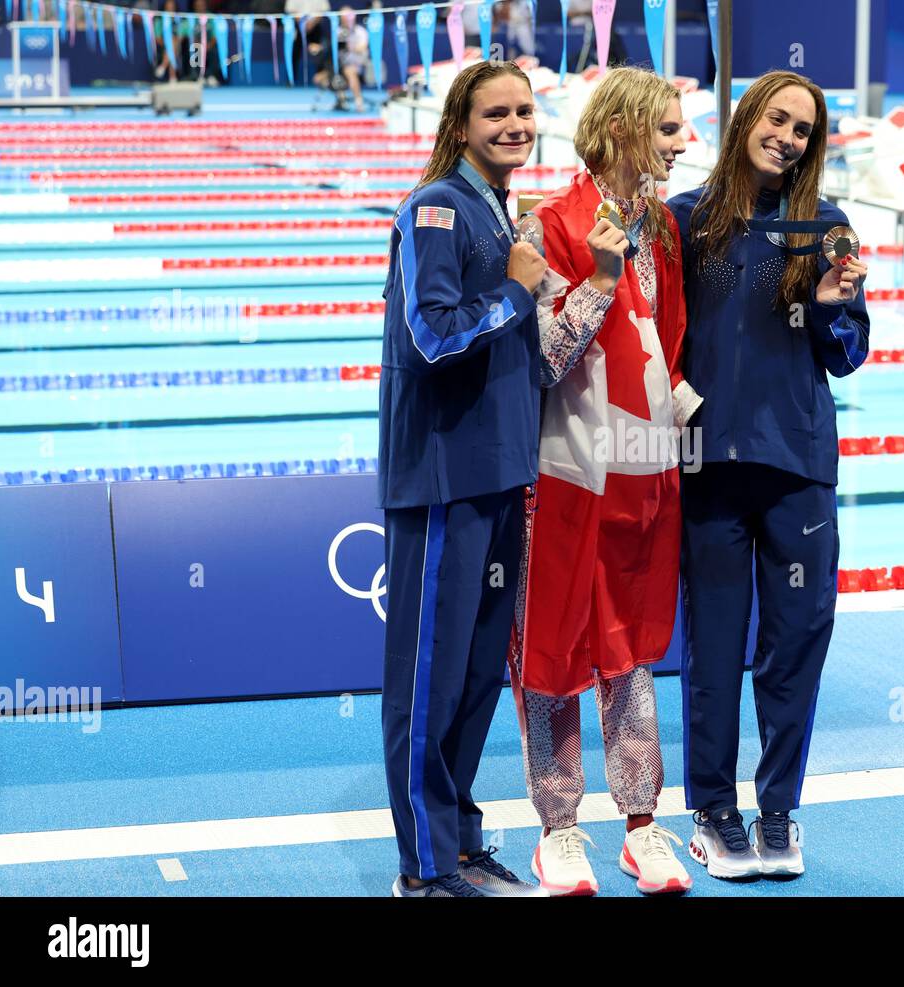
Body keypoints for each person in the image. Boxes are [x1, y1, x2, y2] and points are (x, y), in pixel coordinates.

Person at [667, 70, 870, 881]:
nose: (786, 137)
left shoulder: (825, 227)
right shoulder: (683, 222)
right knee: (714, 649)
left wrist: (826, 303)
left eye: (802, 130)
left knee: (795, 645)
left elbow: (849, 355)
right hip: (709, 467)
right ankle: (713, 810)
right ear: (748, 116)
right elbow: (651, 346)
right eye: (777, 119)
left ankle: (778, 808)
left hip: (797, 469)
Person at [504, 66, 695, 896]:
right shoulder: (550, 223)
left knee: (633, 653)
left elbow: (673, 347)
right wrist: (601, 282)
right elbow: (540, 360)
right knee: (553, 651)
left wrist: (689, 418)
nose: (683, 144)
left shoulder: (664, 229)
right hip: (571, 475)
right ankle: (559, 829)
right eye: (667, 131)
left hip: (648, 474)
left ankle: (644, 822)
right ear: (620, 131)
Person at [378, 59, 549, 898]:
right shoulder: (438, 207)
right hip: (444, 480)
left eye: (524, 111)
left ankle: (461, 839)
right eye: (496, 113)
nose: (515, 124)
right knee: (430, 679)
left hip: (499, 475)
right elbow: (433, 335)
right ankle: (425, 866)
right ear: (461, 123)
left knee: (480, 675)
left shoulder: (496, 208)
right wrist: (518, 295)